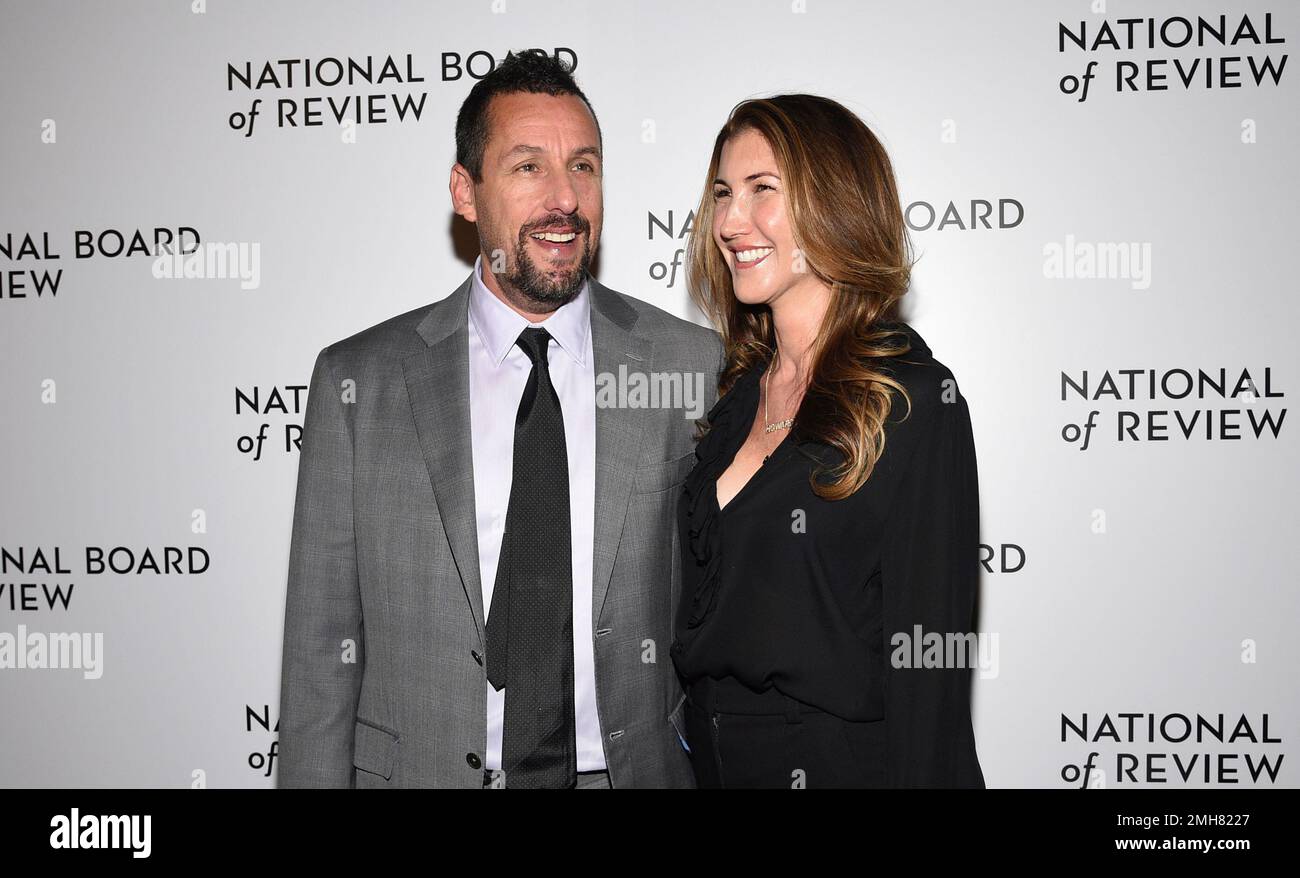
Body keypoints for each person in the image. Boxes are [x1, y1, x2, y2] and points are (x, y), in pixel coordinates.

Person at [278, 51, 721, 789]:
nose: (564, 199)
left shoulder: (691, 365)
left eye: (583, 166)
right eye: (527, 168)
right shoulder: (359, 382)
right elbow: (322, 651)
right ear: (465, 191)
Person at [670, 94, 986, 788]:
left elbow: (926, 682)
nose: (728, 221)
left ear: (835, 204)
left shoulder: (910, 403)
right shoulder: (735, 398)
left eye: (762, 192)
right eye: (722, 193)